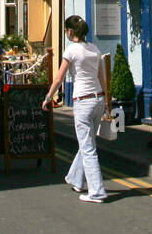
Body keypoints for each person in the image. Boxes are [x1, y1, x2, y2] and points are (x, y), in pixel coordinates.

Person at [44, 15, 110, 203]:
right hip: (98, 99)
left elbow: (59, 78)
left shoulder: (71, 50)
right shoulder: (94, 49)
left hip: (82, 100)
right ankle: (76, 179)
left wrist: (49, 97)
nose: (66, 32)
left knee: (88, 148)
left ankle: (97, 191)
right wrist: (106, 100)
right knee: (87, 143)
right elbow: (101, 76)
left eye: (66, 30)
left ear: (70, 31)